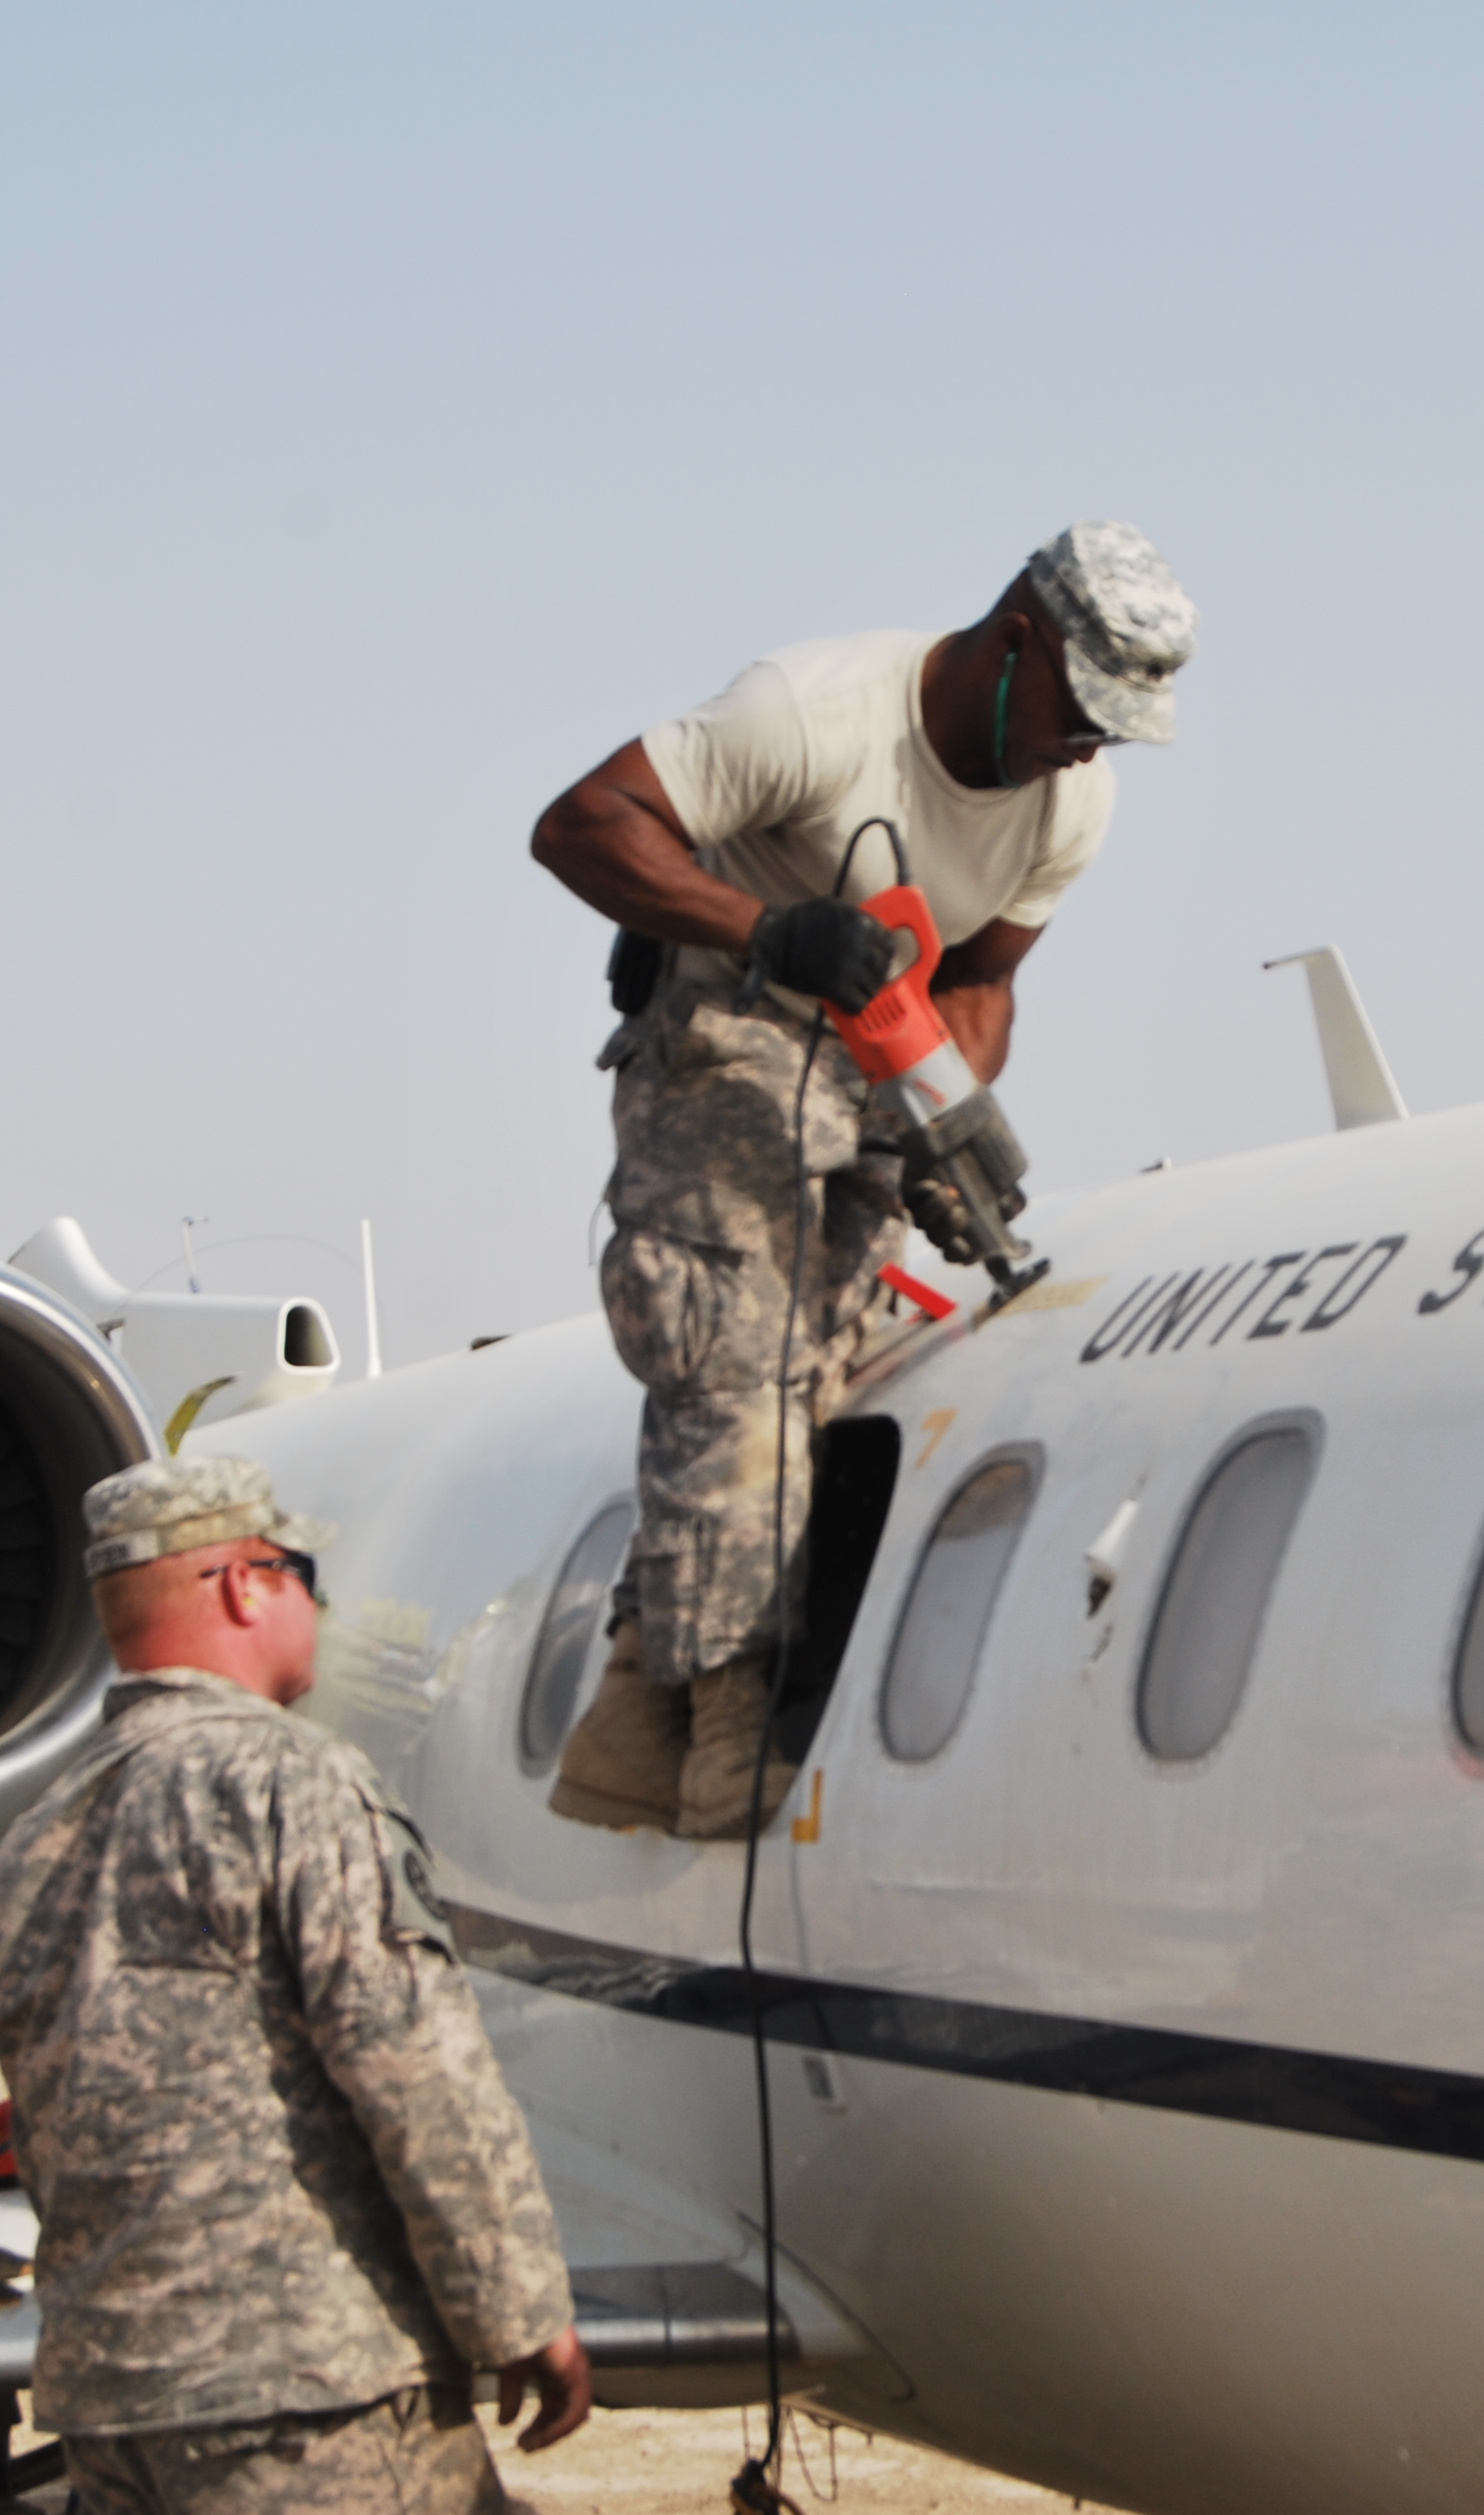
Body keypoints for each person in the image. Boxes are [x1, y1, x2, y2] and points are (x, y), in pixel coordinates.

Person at [529, 519, 1197, 1839]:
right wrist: (764, 927)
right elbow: (580, 826)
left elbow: (981, 983)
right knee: (736, 1344)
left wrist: (940, 1118)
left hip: (871, 1050)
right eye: (1077, 711)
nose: (1088, 747)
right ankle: (728, 1721)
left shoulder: (1071, 801)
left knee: (831, 1355)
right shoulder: (815, 711)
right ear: (1016, 644)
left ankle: (633, 1701)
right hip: (724, 1026)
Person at [0, 1453, 590, 2515]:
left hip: (114, 2409)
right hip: (303, 2395)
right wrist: (517, 2307)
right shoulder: (291, 1782)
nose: (316, 1606)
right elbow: (414, 2065)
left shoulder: (33, 1839)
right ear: (244, 1585)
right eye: (302, 1575)